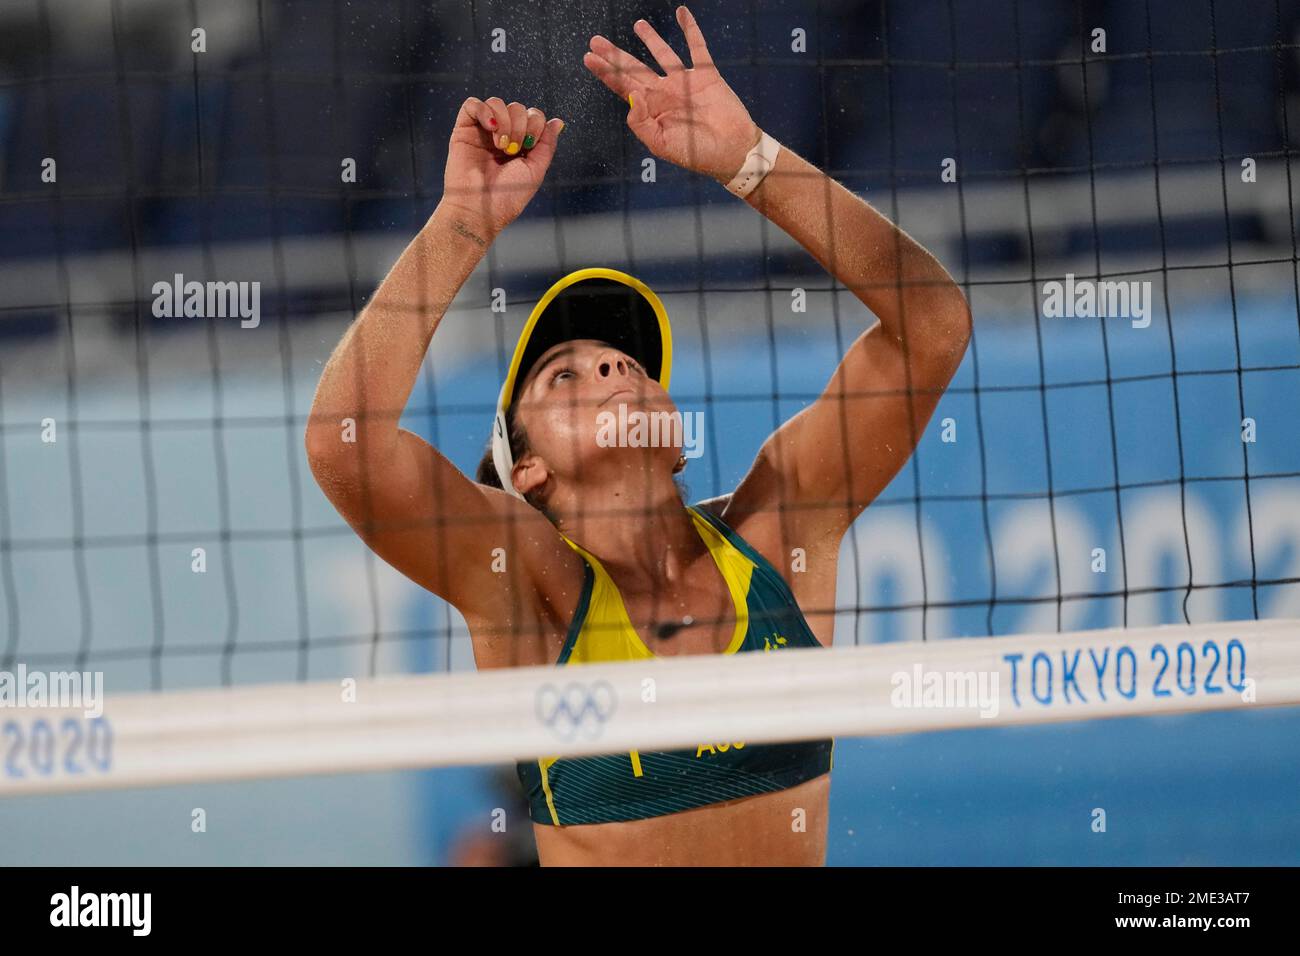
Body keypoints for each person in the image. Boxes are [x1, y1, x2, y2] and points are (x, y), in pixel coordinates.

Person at [305, 5, 970, 866]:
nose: (613, 370)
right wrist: (463, 223)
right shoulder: (525, 579)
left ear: (677, 439)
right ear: (528, 473)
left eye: (624, 361)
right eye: (564, 377)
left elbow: (934, 325)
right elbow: (342, 444)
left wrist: (751, 163)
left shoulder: (779, 530)